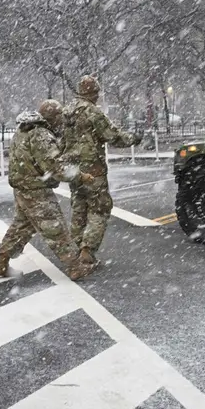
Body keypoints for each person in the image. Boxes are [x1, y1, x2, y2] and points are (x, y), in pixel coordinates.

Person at [0, 103, 96, 281]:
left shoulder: (23, 130)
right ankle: (75, 266)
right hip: (37, 190)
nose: (61, 121)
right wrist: (81, 176)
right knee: (55, 228)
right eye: (59, 117)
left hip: (22, 188)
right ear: (52, 117)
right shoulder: (41, 134)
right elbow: (55, 165)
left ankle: (1, 262)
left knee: (21, 227)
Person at [63, 75, 142, 266]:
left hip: (73, 169)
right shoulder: (92, 112)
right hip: (93, 169)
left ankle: (75, 249)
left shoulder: (67, 111)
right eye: (96, 92)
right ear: (93, 92)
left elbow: (60, 140)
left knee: (79, 209)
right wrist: (134, 139)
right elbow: (112, 136)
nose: (97, 96)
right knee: (100, 209)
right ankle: (87, 250)